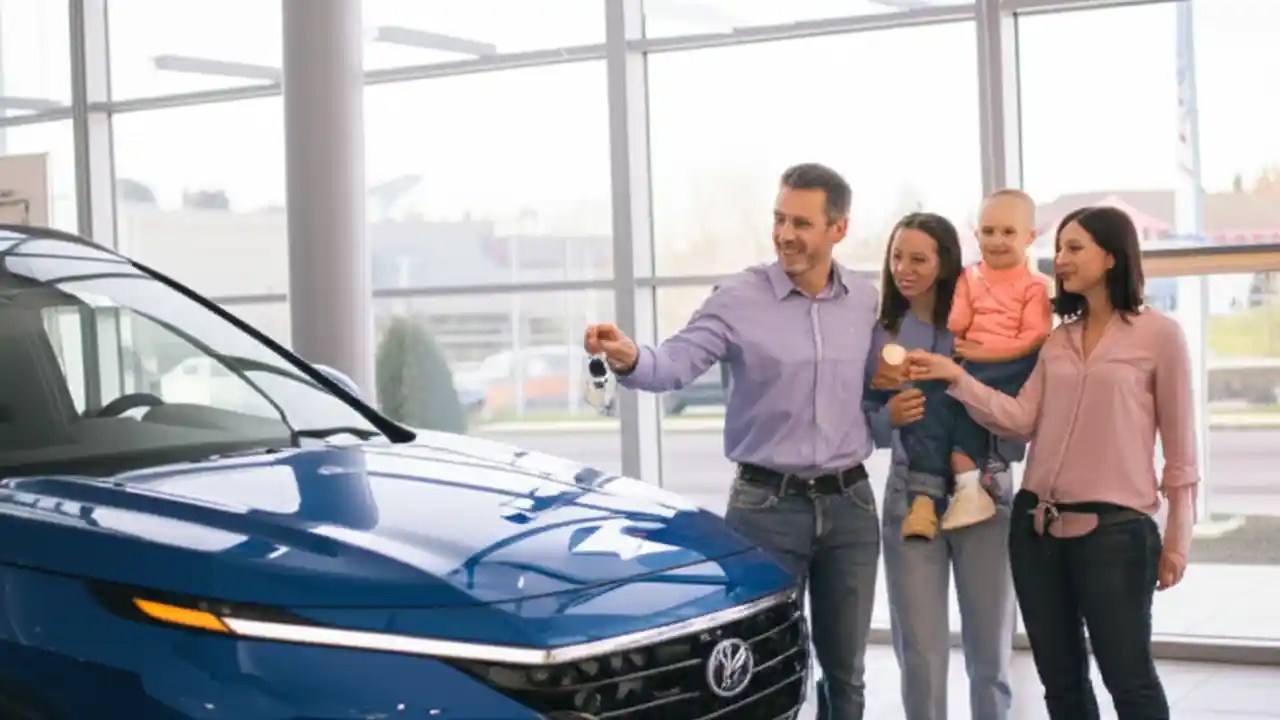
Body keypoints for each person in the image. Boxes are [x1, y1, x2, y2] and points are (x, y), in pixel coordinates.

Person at [583, 162, 880, 720]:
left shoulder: (864, 300)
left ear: (838, 229)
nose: (786, 234)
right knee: (755, 671)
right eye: (779, 219)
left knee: (847, 675)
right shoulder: (738, 298)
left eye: (802, 223)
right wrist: (629, 356)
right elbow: (672, 364)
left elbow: (876, 389)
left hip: (851, 507)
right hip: (767, 509)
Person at [905, 205, 1198, 720]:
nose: (1059, 259)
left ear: (1111, 256)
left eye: (1074, 247)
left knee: (1128, 679)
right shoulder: (1057, 341)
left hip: (1115, 533)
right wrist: (956, 376)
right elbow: (1019, 420)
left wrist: (1177, 540)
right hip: (1034, 529)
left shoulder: (1160, 336)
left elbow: (1181, 453)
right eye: (1059, 247)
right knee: (1060, 686)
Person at [863, 212, 1017, 720]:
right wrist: (889, 417)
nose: (904, 269)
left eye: (919, 259)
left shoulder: (982, 326)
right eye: (897, 257)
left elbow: (1013, 418)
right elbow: (865, 420)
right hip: (911, 497)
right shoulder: (881, 331)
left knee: (990, 653)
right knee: (922, 656)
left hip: (986, 493)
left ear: (945, 262)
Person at [898, 189, 1053, 541]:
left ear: (1030, 237)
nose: (996, 241)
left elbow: (1033, 338)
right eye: (988, 231)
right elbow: (956, 323)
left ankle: (968, 481)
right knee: (928, 392)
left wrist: (978, 355)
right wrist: (963, 340)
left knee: (964, 396)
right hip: (973, 360)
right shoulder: (970, 277)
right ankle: (927, 496)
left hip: (1013, 364)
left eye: (1008, 233)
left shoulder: (1034, 287)